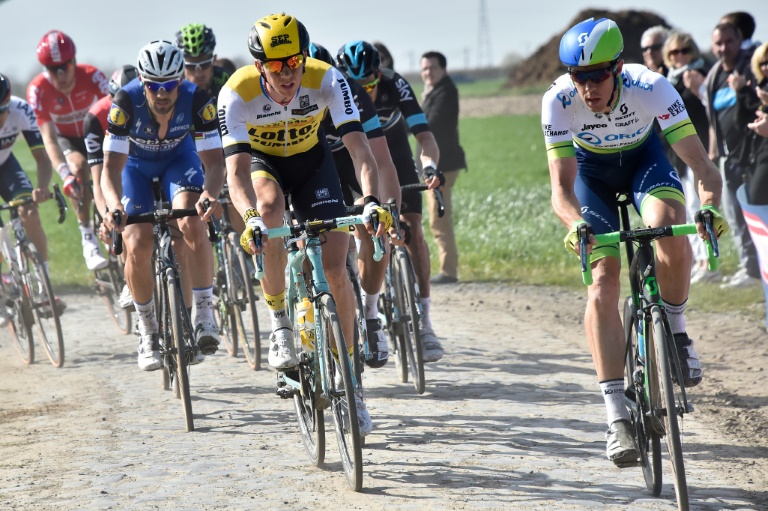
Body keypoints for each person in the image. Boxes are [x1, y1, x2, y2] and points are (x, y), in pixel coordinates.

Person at [542, 18, 727, 466]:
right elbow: (561, 191)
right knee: (603, 280)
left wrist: (708, 207)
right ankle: (616, 417)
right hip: (591, 178)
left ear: (619, 67)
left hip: (645, 162)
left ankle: (678, 332)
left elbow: (702, 165)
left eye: (597, 75)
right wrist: (574, 224)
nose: (587, 87)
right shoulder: (557, 101)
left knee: (669, 225)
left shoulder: (653, 87)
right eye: (577, 76)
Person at [218, 13, 392, 436]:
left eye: (294, 61)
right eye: (276, 66)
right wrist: (249, 218)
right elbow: (237, 173)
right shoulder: (236, 94)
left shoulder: (327, 80)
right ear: (260, 66)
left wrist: (370, 202)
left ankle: (353, 383)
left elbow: (360, 153)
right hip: (265, 166)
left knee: (335, 269)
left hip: (314, 166)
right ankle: (279, 324)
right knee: (270, 207)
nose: (288, 73)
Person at [101, 40, 224, 371]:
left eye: (170, 84)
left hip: (178, 162)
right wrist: (113, 207)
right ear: (142, 81)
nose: (162, 93)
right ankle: (149, 330)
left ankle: (203, 313)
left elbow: (215, 164)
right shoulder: (124, 102)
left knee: (192, 222)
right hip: (134, 169)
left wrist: (209, 195)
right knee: (138, 241)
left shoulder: (197, 98)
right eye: (154, 86)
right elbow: (109, 170)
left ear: (180, 79)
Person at [336, 40, 446, 363]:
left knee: (411, 227)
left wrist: (429, 165)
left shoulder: (395, 84)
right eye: (358, 86)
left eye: (370, 84)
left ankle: (424, 321)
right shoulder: (338, 95)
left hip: (393, 151)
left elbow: (425, 136)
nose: (365, 92)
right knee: (366, 229)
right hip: (358, 154)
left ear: (378, 75)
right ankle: (367, 302)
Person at [309, 41, 401, 368]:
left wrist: (386, 207)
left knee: (373, 228)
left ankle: (372, 314)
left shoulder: (352, 95)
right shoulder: (282, 102)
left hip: (349, 166)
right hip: (310, 172)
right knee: (302, 240)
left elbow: (382, 160)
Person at [27, 30, 110, 272]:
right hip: (67, 140)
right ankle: (88, 237)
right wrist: (65, 175)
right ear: (45, 69)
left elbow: (115, 115)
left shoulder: (93, 76)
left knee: (111, 173)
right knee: (77, 169)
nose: (61, 74)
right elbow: (49, 139)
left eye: (66, 66)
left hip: (96, 132)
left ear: (74, 61)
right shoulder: (37, 89)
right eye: (54, 69)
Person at [704, 21, 762, 288]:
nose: (723, 48)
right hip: (728, 159)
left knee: (754, 213)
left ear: (739, 42)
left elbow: (755, 107)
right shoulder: (715, 76)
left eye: (729, 42)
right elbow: (713, 120)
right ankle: (748, 267)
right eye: (718, 43)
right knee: (735, 214)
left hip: (753, 155)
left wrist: (743, 89)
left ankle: (755, 270)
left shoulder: (751, 70)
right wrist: (713, 152)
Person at [0, 73, 58, 325]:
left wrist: (43, 187)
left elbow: (43, 158)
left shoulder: (20, 109)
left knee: (30, 212)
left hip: (6, 167)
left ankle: (42, 280)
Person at [662, 32, 718, 283]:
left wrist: (698, 87)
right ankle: (700, 260)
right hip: (678, 156)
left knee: (700, 207)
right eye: (673, 52)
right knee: (689, 209)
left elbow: (712, 110)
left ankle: (710, 263)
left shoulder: (699, 73)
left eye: (684, 51)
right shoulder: (668, 80)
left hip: (701, 151)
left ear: (693, 51)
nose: (679, 57)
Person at [419, 51, 466, 285]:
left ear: (443, 70)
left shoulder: (445, 92)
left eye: (432, 68)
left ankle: (448, 271)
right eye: (424, 69)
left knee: (440, 218)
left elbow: (432, 123)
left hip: (443, 166)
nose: (428, 73)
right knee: (439, 217)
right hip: (438, 164)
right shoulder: (434, 91)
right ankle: (447, 268)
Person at [175, 24, 231, 103]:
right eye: (191, 66)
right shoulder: (174, 87)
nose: (198, 74)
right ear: (181, 65)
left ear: (214, 60)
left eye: (204, 64)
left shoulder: (225, 80)